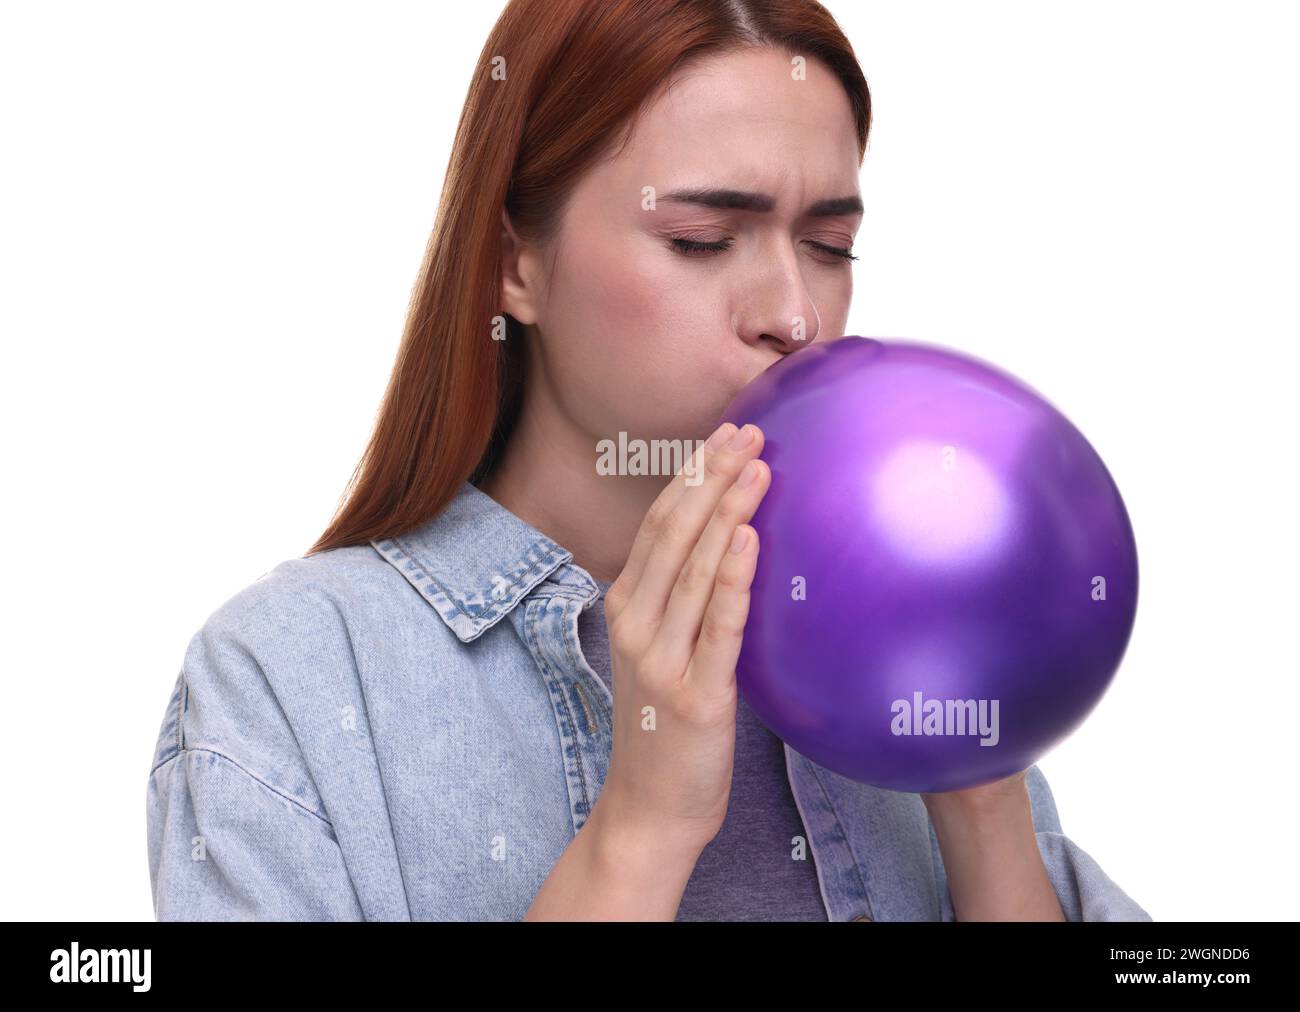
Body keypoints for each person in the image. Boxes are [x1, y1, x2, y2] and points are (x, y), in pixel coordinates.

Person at [146, 0, 1151, 921]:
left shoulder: (914, 640)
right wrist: (642, 829)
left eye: (829, 247)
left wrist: (983, 806)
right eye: (704, 239)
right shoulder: (288, 680)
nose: (793, 314)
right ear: (513, 264)